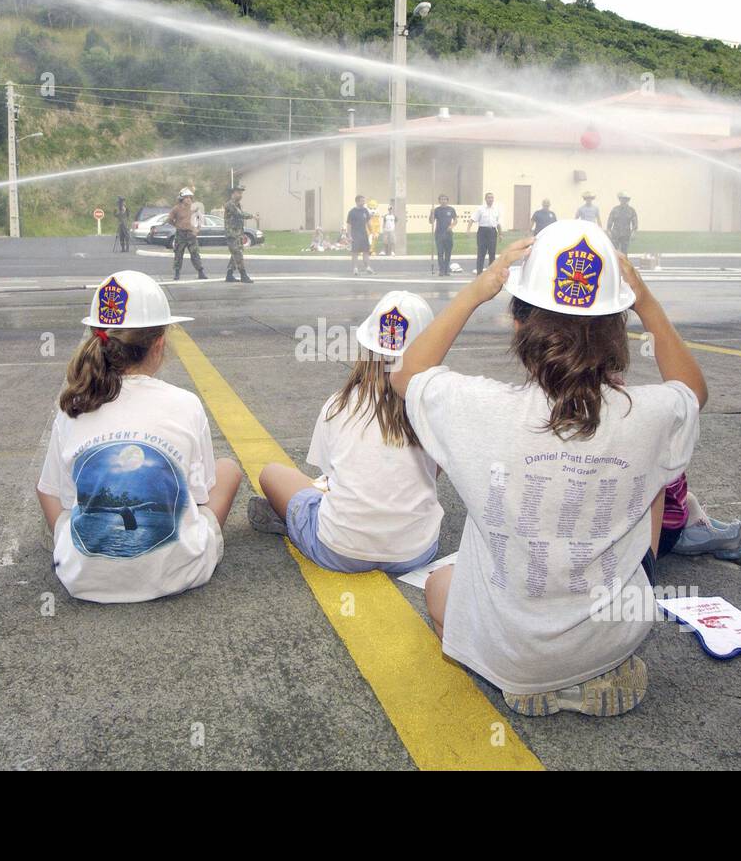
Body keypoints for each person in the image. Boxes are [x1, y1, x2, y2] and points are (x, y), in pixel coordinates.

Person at [390, 220, 707, 718]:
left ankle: (522, 675)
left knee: (438, 585)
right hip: (615, 632)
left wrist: (476, 290)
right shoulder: (650, 414)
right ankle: (594, 668)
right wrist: (645, 301)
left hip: (513, 649)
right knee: (656, 480)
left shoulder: (477, 407)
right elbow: (692, 391)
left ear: (518, 325)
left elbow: (407, 374)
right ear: (618, 330)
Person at [36, 269, 242, 603]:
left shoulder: (74, 405)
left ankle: (79, 555)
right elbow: (199, 494)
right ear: (159, 344)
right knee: (228, 469)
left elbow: (54, 494)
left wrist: (64, 531)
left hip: (82, 582)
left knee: (50, 491)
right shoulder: (185, 403)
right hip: (178, 576)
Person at [248, 291, 443, 573]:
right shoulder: (436, 409)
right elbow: (433, 472)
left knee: (272, 474)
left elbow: (330, 474)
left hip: (338, 550)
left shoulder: (339, 404)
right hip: (415, 552)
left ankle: (292, 521)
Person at [168, 187, 206, 280]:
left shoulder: (194, 208)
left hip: (191, 234)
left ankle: (200, 272)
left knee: (195, 253)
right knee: (178, 254)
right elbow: (169, 219)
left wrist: (197, 229)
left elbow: (201, 218)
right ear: (182, 198)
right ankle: (177, 273)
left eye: (190, 197)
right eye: (186, 197)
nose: (189, 199)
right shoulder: (176, 208)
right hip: (180, 234)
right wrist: (177, 225)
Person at [223, 184, 254, 283]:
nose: (240, 195)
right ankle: (243, 275)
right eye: (238, 193)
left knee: (235, 255)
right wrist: (252, 216)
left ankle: (229, 275)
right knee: (238, 254)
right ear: (232, 194)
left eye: (241, 193)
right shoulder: (230, 204)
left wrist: (242, 233)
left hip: (238, 234)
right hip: (232, 235)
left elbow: (238, 220)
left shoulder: (237, 205)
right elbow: (239, 214)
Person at [467, 191, 501, 274]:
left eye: (492, 198)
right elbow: (472, 219)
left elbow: (498, 223)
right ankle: (479, 273)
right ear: (485, 199)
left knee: (492, 253)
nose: (490, 199)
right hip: (482, 232)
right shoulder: (480, 209)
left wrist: (500, 234)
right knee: (481, 253)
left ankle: (491, 273)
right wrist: (468, 230)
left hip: (492, 232)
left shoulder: (496, 210)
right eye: (489, 198)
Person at [429, 194, 458, 276]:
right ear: (439, 201)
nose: (443, 201)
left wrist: (451, 226)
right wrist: (431, 213)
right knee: (440, 253)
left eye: (445, 199)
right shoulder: (436, 210)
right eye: (441, 199)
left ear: (447, 200)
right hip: (439, 234)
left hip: (448, 233)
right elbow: (431, 221)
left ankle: (446, 270)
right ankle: (441, 270)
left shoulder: (451, 209)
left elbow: (455, 220)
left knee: (448, 253)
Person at [347, 194, 373, 275]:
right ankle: (355, 269)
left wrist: (372, 232)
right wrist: (349, 236)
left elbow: (368, 222)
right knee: (355, 253)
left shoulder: (365, 211)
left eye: (364, 201)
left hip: (364, 234)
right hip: (355, 235)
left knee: (366, 251)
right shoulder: (352, 212)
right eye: (362, 201)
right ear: (357, 202)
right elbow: (349, 225)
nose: (364, 202)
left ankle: (368, 268)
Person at [606, 192, 639, 256]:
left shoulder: (631, 210)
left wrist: (634, 233)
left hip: (626, 234)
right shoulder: (615, 209)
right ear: (620, 199)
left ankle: (623, 262)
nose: (623, 200)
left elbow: (635, 223)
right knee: (614, 251)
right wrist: (608, 231)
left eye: (625, 199)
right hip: (615, 233)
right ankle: (615, 262)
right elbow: (610, 220)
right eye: (622, 199)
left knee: (624, 251)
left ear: (628, 200)